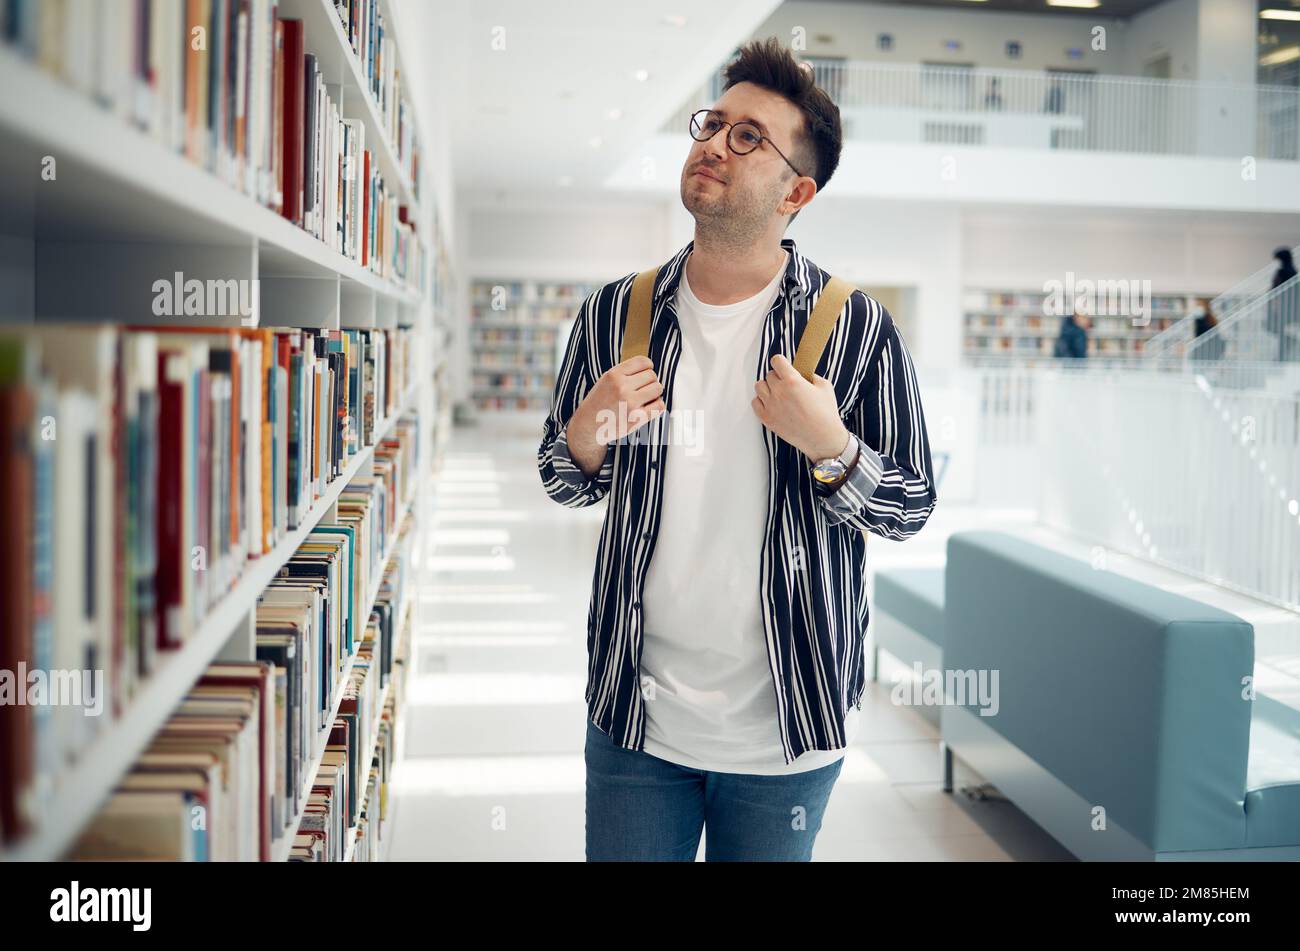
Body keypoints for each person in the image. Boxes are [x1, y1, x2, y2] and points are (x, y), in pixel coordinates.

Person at [536, 37, 937, 862]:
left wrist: (832, 445)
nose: (715, 143)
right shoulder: (618, 312)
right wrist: (584, 434)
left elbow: (911, 506)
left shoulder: (854, 327)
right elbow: (561, 479)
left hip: (786, 731)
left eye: (749, 135)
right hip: (634, 719)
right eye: (713, 124)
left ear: (797, 190)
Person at [1266, 248, 1297, 361]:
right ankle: (1281, 355)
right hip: (1288, 308)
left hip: (1282, 309)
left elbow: (1276, 290)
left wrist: (1275, 304)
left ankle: (1281, 357)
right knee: (1278, 330)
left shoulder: (1283, 272)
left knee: (1271, 326)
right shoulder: (1293, 272)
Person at [1190, 297, 1224, 361]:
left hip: (1208, 348)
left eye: (1199, 305)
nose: (1197, 308)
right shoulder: (1199, 319)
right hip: (1203, 348)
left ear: (1204, 306)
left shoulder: (1209, 318)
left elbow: (1205, 332)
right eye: (1197, 305)